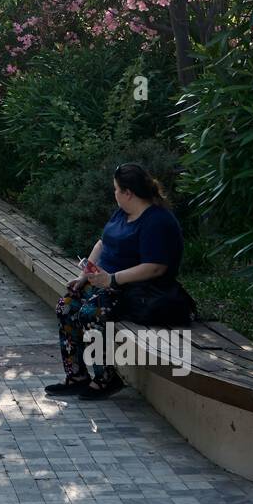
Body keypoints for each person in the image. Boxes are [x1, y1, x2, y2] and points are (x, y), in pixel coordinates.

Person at [45, 162, 187, 400]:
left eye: (116, 189)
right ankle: (77, 376)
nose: (114, 194)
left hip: (135, 289)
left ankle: (106, 379)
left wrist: (112, 279)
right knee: (66, 306)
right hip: (104, 281)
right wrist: (84, 276)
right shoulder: (123, 212)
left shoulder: (157, 220)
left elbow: (155, 267)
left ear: (128, 193)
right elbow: (102, 243)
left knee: (90, 313)